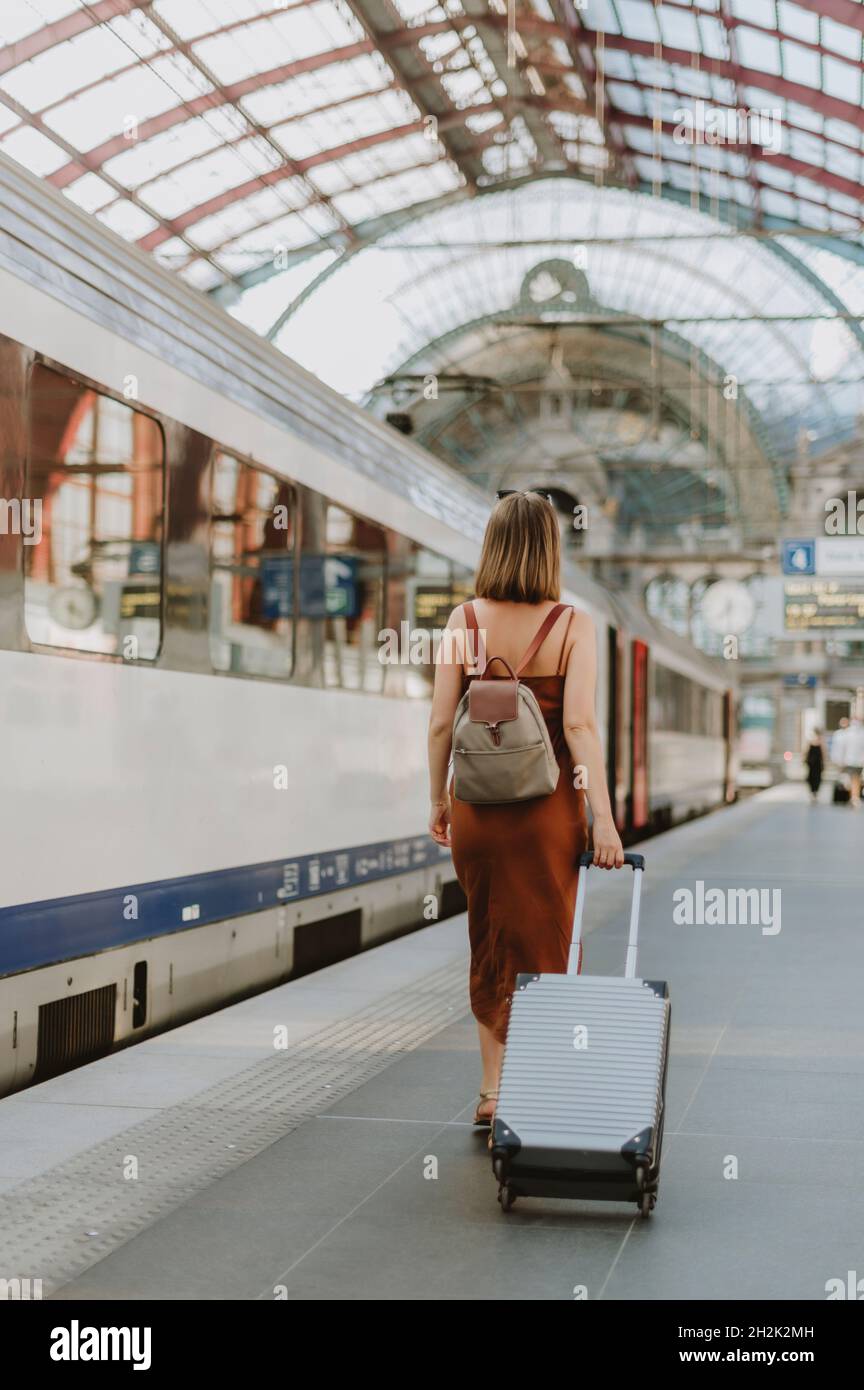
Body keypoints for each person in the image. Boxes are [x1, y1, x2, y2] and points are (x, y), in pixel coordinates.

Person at [426, 491, 624, 1130]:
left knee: (489, 936)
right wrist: (603, 817)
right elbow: (583, 728)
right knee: (548, 940)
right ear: (549, 549)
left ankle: (491, 1091)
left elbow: (438, 726)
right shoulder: (572, 626)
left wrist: (438, 799)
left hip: (477, 808)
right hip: (548, 810)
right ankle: (539, 1084)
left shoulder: (463, 621)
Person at [836, 715, 864, 807]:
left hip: (852, 760)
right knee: (855, 779)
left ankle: (854, 797)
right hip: (854, 760)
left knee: (854, 779)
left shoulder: (849, 733)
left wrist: (841, 760)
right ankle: (854, 797)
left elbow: (842, 748)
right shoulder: (858, 733)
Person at [804, 728, 824, 803]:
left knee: (817, 778)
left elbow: (823, 752)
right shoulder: (810, 741)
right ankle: (813, 791)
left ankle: (815, 792)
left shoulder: (820, 741)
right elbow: (806, 751)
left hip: (817, 763)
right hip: (812, 763)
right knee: (812, 777)